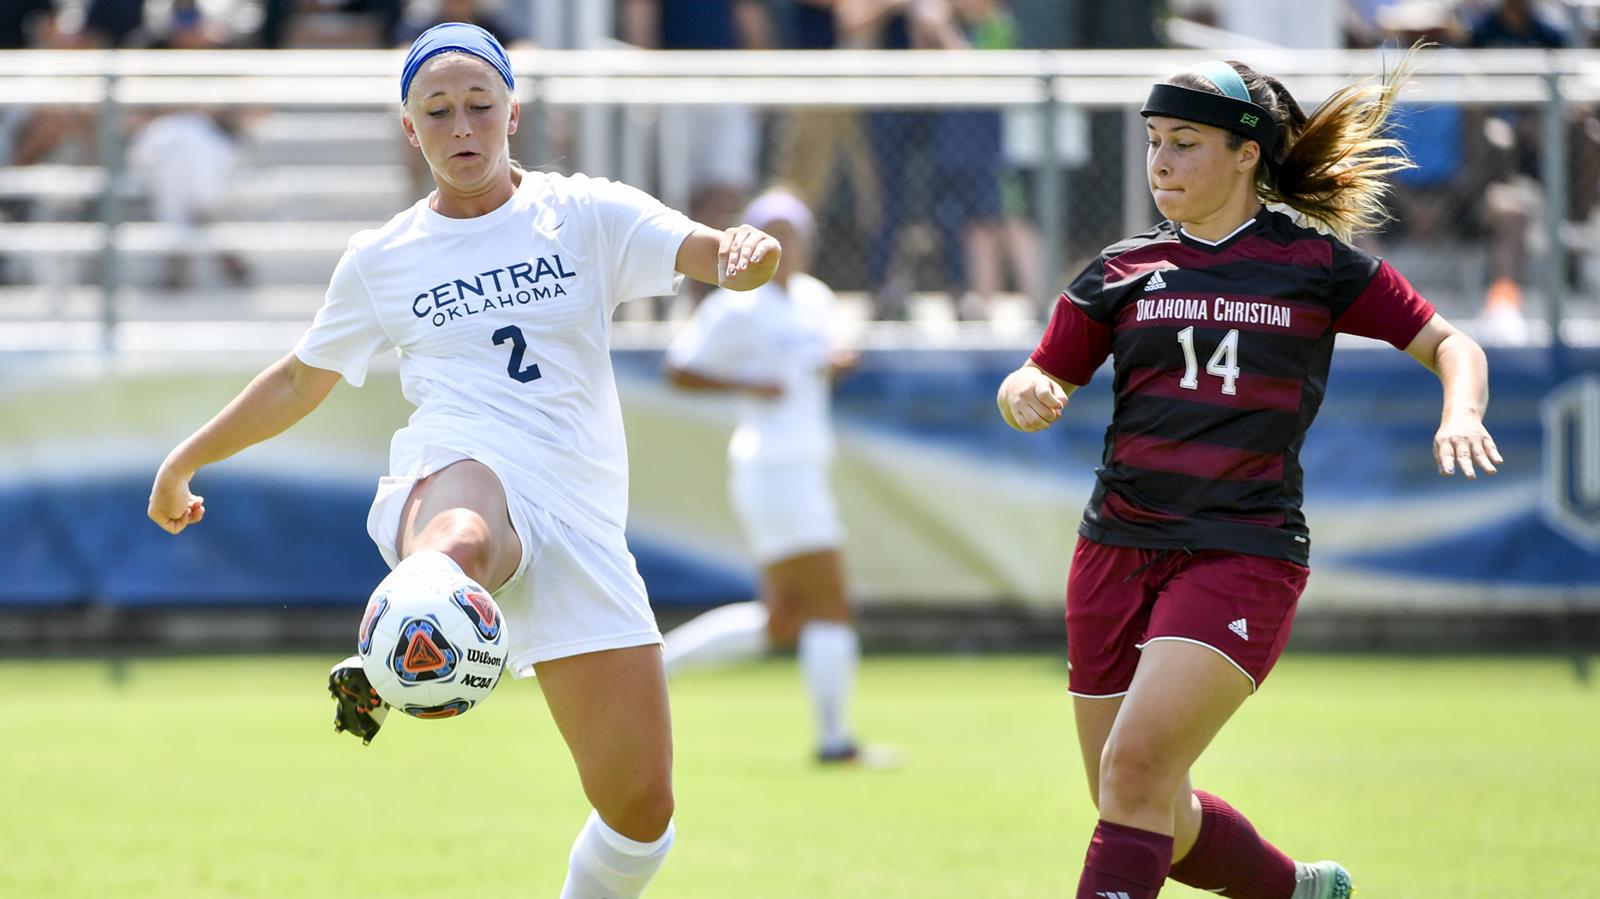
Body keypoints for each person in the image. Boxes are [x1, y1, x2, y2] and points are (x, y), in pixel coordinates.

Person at [146, 23, 780, 899]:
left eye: (480, 105)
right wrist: (185, 459)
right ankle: (395, 635)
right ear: (410, 130)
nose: (462, 127)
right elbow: (299, 381)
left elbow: (713, 253)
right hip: (458, 459)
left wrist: (748, 254)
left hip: (580, 514)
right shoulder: (383, 259)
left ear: (513, 111)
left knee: (642, 813)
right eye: (437, 112)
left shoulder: (585, 211)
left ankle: (416, 627)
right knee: (463, 532)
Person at [997, 54, 1500, 899]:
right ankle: (1296, 892)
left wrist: (1462, 410)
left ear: (1248, 153)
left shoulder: (1315, 264)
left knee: (1137, 767)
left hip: (1242, 549)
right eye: (1154, 141)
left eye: (1185, 142)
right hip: (1114, 547)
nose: (1160, 162)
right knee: (1133, 793)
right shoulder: (1120, 269)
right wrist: (1026, 393)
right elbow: (1032, 375)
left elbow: (1454, 344)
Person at [658, 187, 884, 766]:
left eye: (795, 231)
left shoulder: (815, 298)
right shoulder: (736, 302)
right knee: (831, 604)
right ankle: (835, 742)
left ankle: (658, 665)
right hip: (773, 466)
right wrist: (749, 384)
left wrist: (830, 366)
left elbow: (811, 370)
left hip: (801, 464)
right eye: (773, 229)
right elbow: (679, 369)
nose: (786, 242)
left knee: (782, 619)